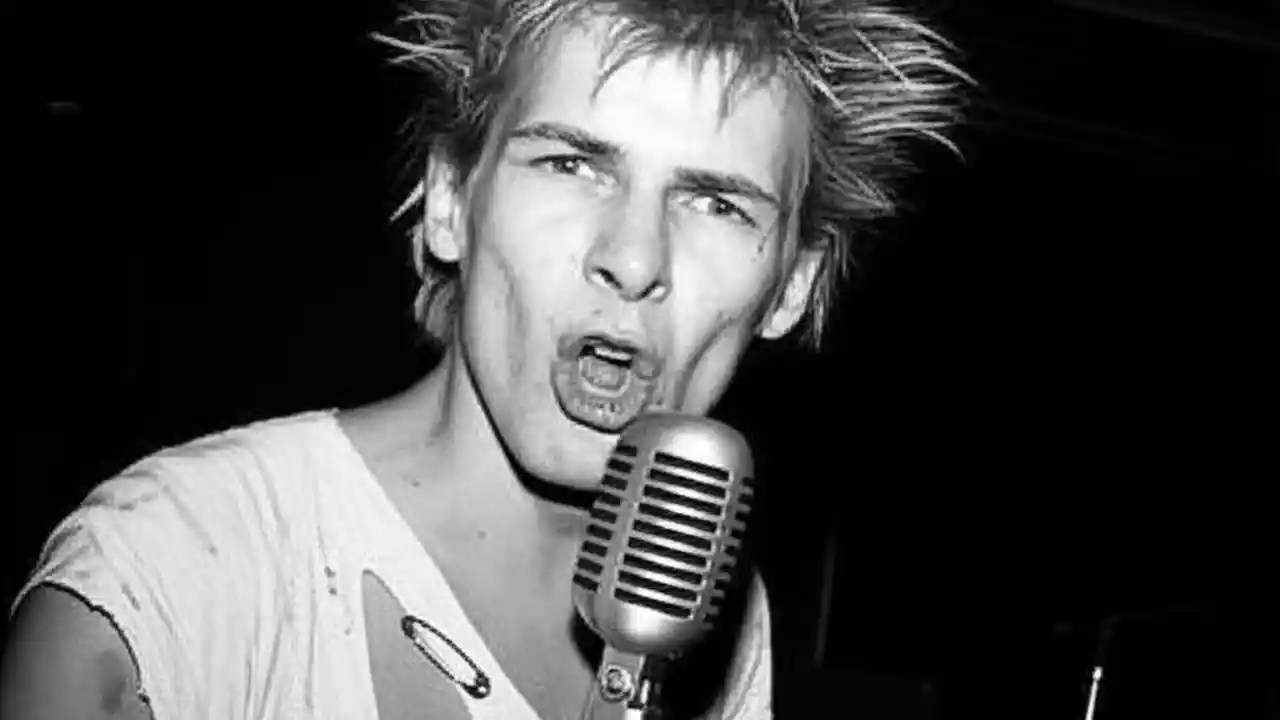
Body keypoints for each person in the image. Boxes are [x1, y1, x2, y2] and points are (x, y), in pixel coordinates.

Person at [0, 0, 968, 718]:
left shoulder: (724, 622)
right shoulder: (175, 572)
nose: (631, 258)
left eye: (715, 202)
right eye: (572, 163)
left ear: (790, 287)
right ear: (452, 201)